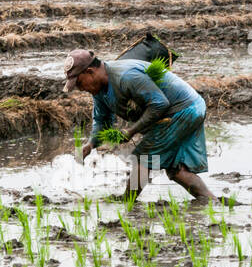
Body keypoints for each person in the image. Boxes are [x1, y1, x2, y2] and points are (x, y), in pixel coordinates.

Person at [63, 48, 213, 204]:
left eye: (79, 83)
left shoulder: (126, 76)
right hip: (188, 109)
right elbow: (102, 120)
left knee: (144, 157)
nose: (80, 89)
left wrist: (131, 131)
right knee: (176, 169)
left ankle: (128, 203)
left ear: (90, 71)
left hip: (183, 109)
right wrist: (90, 144)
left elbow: (159, 104)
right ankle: (211, 201)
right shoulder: (99, 91)